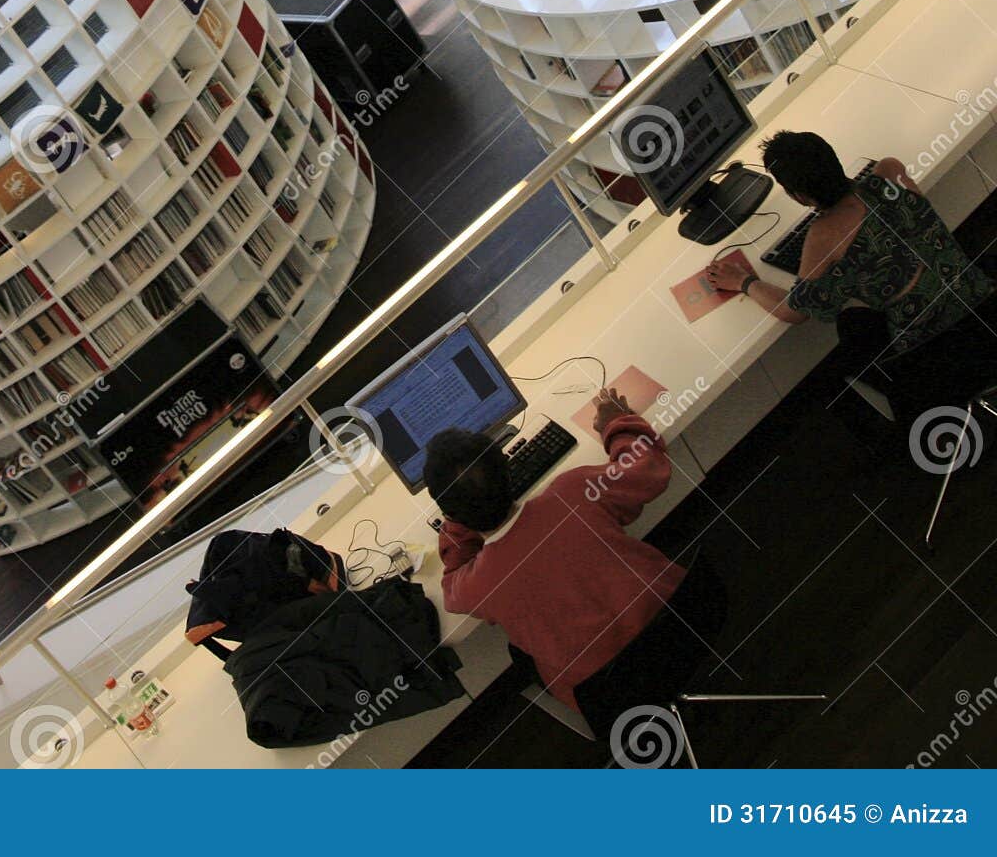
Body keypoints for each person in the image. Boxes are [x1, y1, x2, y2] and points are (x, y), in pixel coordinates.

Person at [425, 389, 685, 716]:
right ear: (508, 470)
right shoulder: (574, 491)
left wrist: (456, 523)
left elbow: (451, 588)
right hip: (682, 619)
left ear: (452, 515)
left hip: (609, 694)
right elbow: (648, 469)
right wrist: (617, 424)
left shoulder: (478, 584)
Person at [709, 130, 996, 411]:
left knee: (851, 324)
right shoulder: (890, 171)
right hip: (984, 304)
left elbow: (794, 311)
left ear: (799, 196)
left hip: (936, 350)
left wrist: (744, 281)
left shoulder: (823, 236)